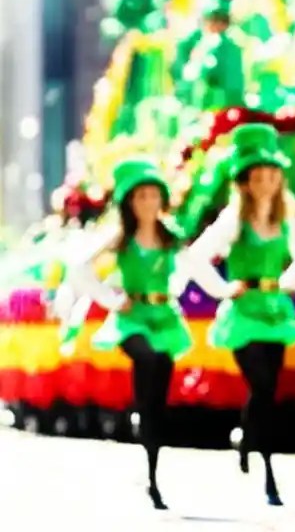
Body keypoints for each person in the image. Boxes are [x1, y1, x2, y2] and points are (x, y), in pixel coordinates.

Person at [186, 123, 295, 506]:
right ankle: (268, 470)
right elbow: (197, 256)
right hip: (243, 315)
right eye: (258, 176)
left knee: (267, 390)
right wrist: (223, 289)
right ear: (244, 182)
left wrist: (288, 283)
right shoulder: (234, 220)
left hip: (275, 313)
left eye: (272, 175)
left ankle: (247, 435)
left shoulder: (286, 219)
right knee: (260, 385)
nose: (266, 183)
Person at [66, 158, 193, 510]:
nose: (149, 203)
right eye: (141, 196)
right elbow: (79, 267)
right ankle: (141, 418)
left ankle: (151, 464)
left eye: (153, 195)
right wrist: (110, 298)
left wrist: (174, 291)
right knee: (146, 357)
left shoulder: (171, 236)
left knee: (158, 394)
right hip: (131, 319)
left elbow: (189, 267)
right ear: (130, 202)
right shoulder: (120, 237)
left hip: (164, 318)